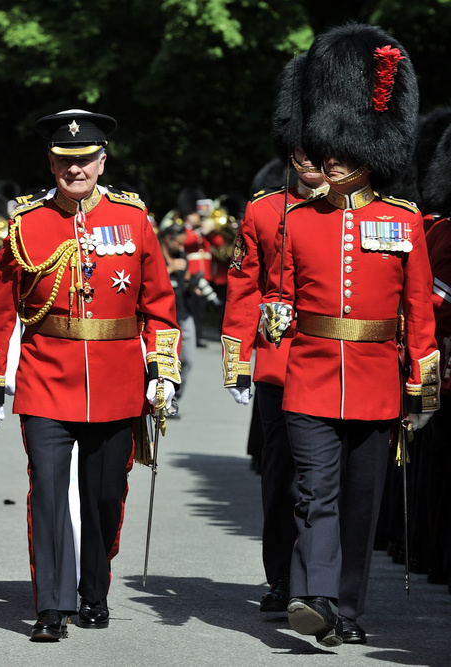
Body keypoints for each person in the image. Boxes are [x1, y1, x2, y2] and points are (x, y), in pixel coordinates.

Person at [0, 109, 181, 641]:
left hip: (117, 379)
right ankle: (52, 605)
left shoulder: (133, 220)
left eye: (85, 159)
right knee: (47, 491)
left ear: (102, 161)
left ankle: (94, 587)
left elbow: (158, 303)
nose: (75, 169)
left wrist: (163, 370)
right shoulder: (25, 222)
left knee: (105, 496)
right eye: (65, 161)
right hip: (45, 375)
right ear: (52, 162)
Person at [263, 24, 439, 647]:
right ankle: (314, 596)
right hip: (310, 376)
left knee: (361, 503)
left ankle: (348, 607)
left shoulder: (403, 223)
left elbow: (418, 310)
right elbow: (278, 296)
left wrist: (424, 386)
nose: (328, 158)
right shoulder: (296, 222)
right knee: (314, 492)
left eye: (341, 149)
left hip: (375, 380)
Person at [220, 52, 328, 616]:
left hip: (334, 356)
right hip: (279, 359)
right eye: (306, 157)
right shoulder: (264, 212)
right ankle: (283, 578)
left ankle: (320, 583)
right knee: (281, 477)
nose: (314, 167)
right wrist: (237, 361)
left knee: (323, 482)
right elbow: (242, 289)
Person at [157, 220, 193, 405]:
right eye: (178, 243)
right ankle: (162, 398)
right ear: (168, 239)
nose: (181, 247)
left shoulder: (181, 255)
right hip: (163, 315)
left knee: (187, 359)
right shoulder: (155, 253)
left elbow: (185, 281)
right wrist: (170, 269)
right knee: (164, 360)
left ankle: (175, 398)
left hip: (184, 313)